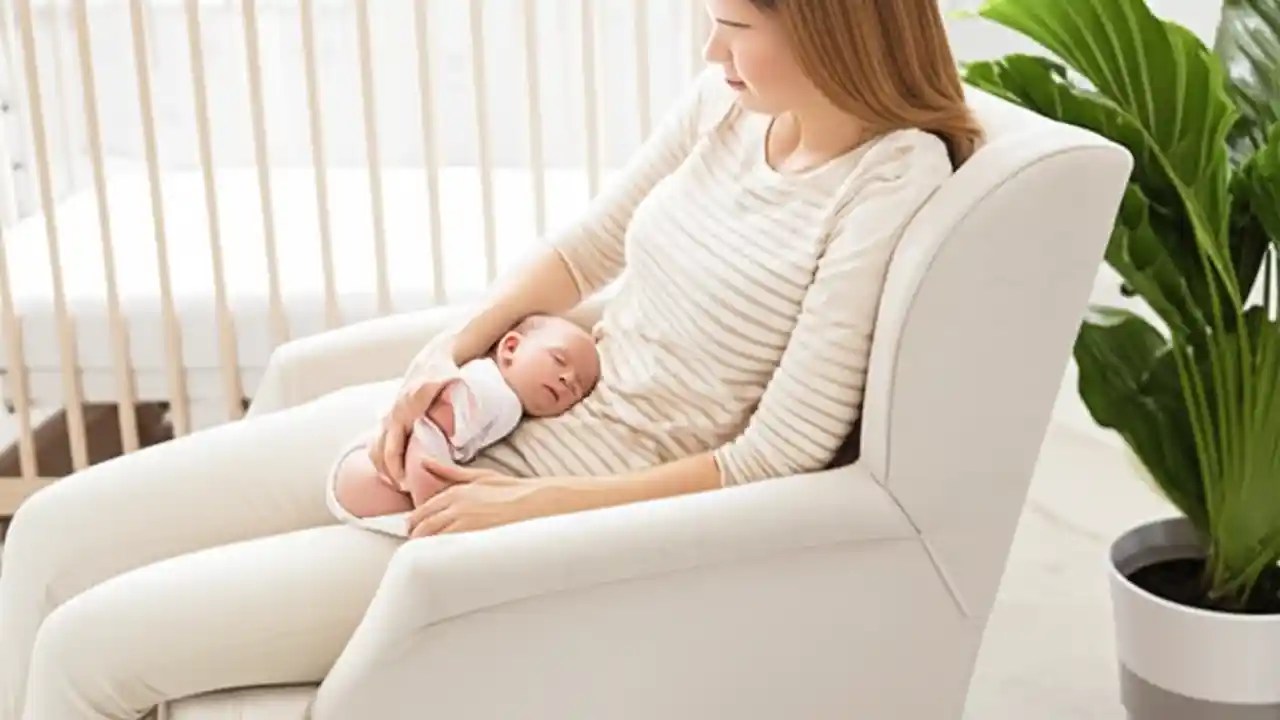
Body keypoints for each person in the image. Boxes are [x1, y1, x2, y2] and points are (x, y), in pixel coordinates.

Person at [0, 0, 982, 717]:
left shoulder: (889, 177)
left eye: (735, 24)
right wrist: (444, 354)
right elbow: (585, 249)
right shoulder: (724, 108)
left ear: (832, 23)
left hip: (533, 513)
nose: (708, 46)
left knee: (86, 649)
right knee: (45, 535)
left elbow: (778, 454)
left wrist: (524, 508)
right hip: (486, 415)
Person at [329, 313, 600, 537]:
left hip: (374, 478)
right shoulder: (490, 390)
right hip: (373, 476)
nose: (566, 379)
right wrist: (434, 508)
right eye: (559, 360)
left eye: (577, 389)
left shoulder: (504, 399)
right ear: (511, 348)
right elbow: (426, 434)